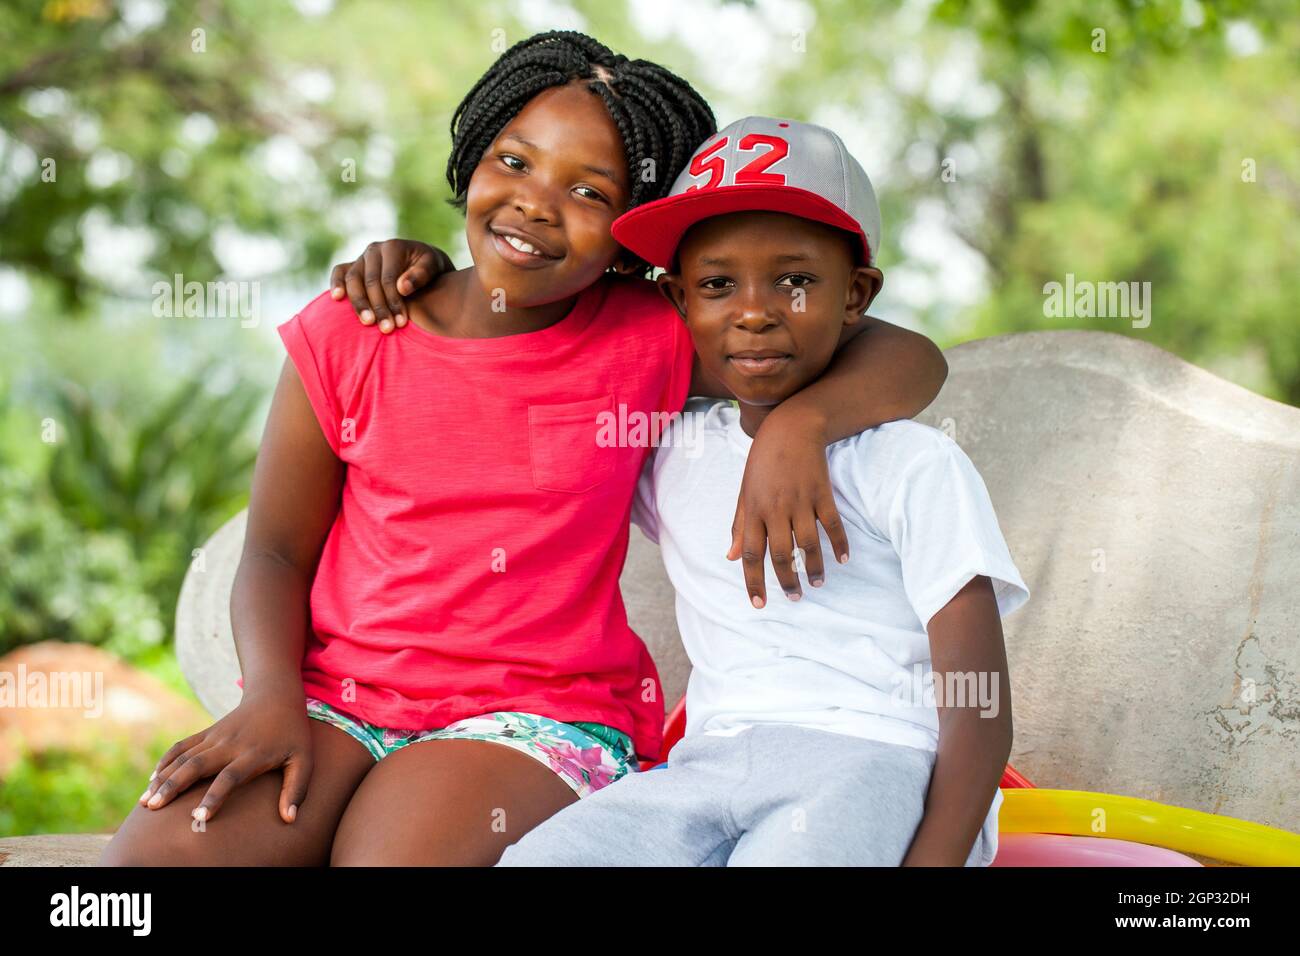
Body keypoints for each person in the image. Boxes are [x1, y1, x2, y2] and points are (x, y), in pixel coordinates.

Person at [101, 33, 947, 867]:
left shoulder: (648, 337)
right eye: (514, 161)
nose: (536, 203)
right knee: (146, 866)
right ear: (471, 156)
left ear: (633, 236)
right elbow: (276, 550)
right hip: (335, 704)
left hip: (536, 719)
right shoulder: (355, 330)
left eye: (588, 191)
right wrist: (273, 699)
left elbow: (904, 354)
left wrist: (800, 428)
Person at [496, 117, 1029, 866]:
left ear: (857, 295)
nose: (753, 310)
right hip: (707, 767)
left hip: (872, 761)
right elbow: (550, 353)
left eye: (796, 281)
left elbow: (978, 694)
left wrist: (940, 855)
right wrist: (414, 269)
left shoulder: (912, 465)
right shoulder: (669, 452)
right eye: (717, 284)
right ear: (678, 299)